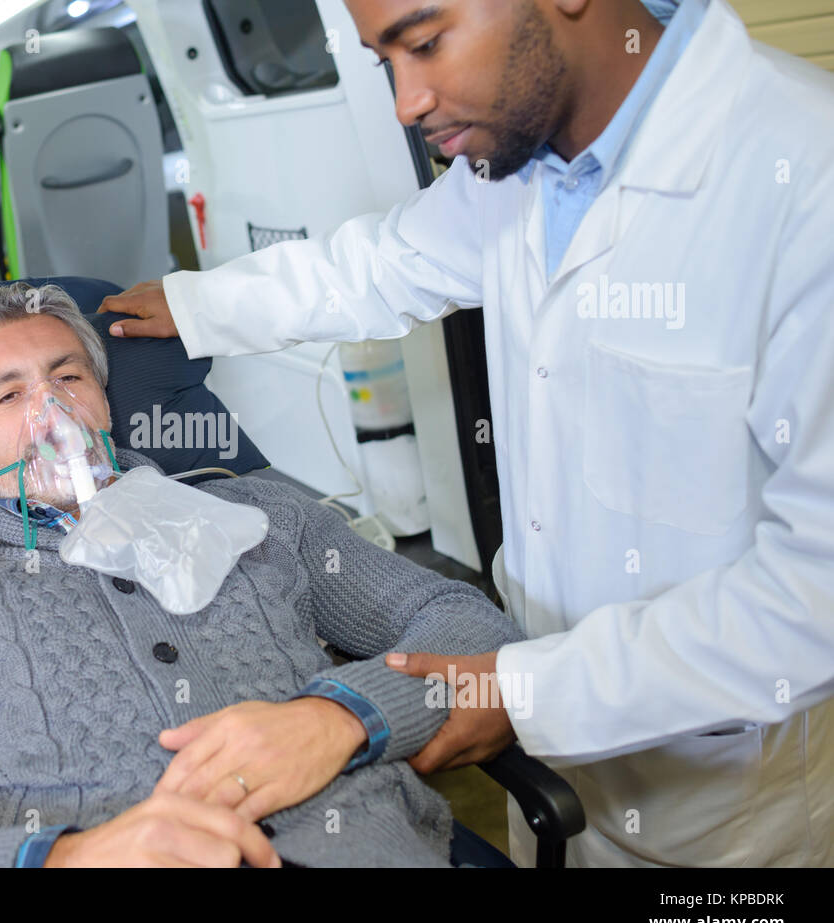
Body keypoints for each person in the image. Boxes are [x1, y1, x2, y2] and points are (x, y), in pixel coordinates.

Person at [96, 0, 834, 867]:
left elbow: (813, 593)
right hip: (545, 737)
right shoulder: (522, 164)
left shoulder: (802, 178)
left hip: (722, 795)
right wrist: (196, 303)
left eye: (425, 42)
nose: (408, 101)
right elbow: (383, 263)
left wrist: (521, 690)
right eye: (385, 63)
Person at [0, 282, 527, 868]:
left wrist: (343, 716)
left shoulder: (259, 514)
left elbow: (466, 624)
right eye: (8, 394)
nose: (50, 409)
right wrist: (67, 856)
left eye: (68, 377)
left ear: (103, 401)